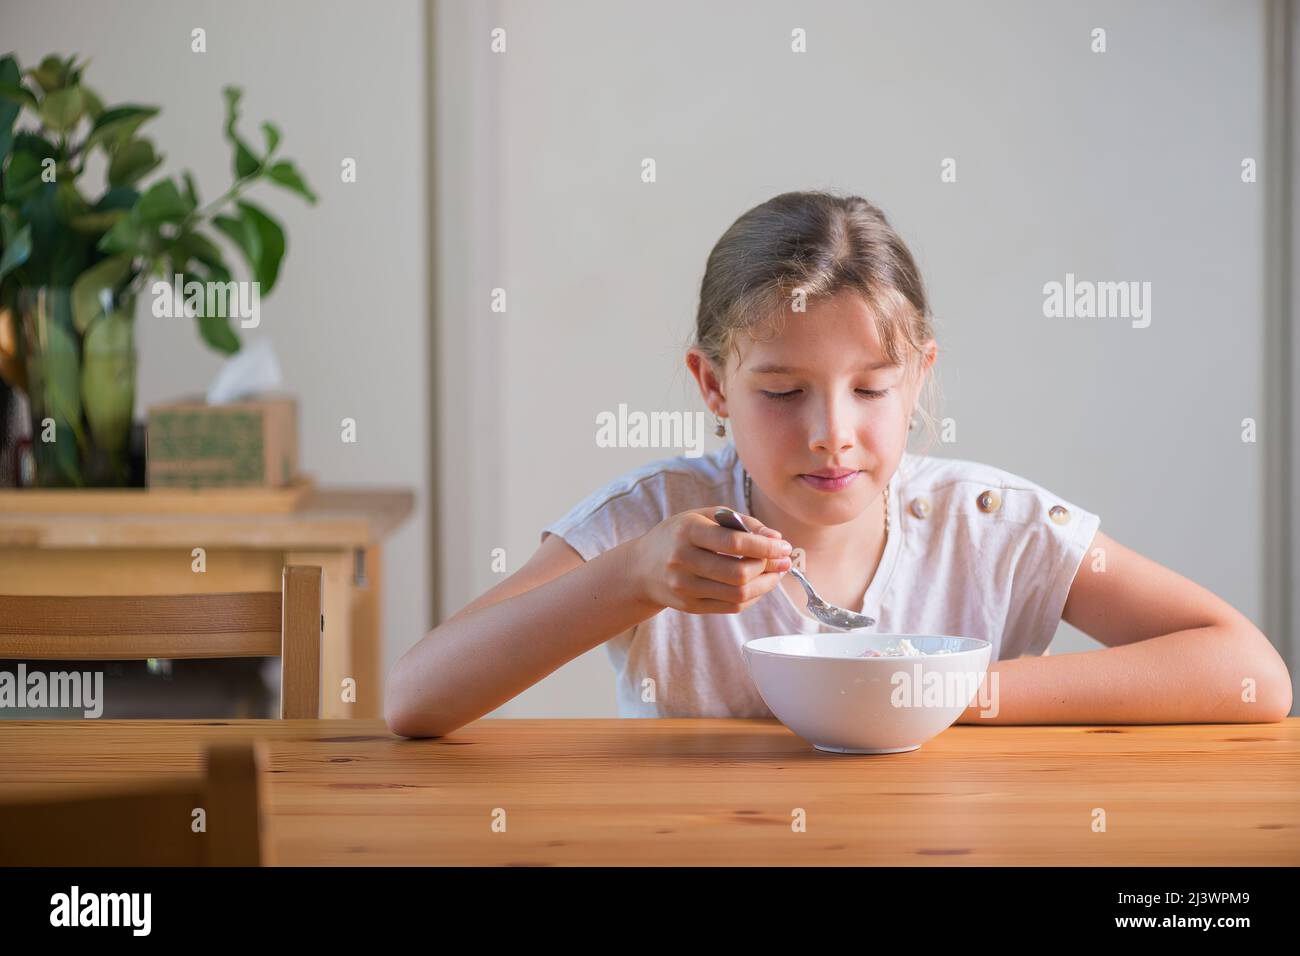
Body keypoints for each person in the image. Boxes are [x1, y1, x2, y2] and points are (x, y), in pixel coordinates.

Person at [386, 190, 1292, 737]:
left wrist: (955, 693)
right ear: (712, 385)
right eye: (782, 393)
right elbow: (416, 699)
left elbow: (1249, 674)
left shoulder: (991, 526)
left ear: (920, 378)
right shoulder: (657, 523)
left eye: (870, 389)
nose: (831, 433)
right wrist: (631, 580)